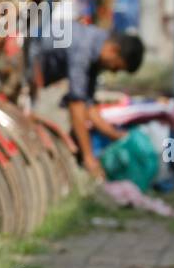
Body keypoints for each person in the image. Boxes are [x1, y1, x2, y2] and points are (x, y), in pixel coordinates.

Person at [30, 23, 144, 180]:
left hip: (38, 76)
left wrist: (118, 136)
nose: (113, 71)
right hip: (27, 64)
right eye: (115, 67)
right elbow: (76, 106)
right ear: (113, 50)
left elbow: (88, 107)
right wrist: (89, 158)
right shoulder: (83, 48)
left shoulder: (95, 52)